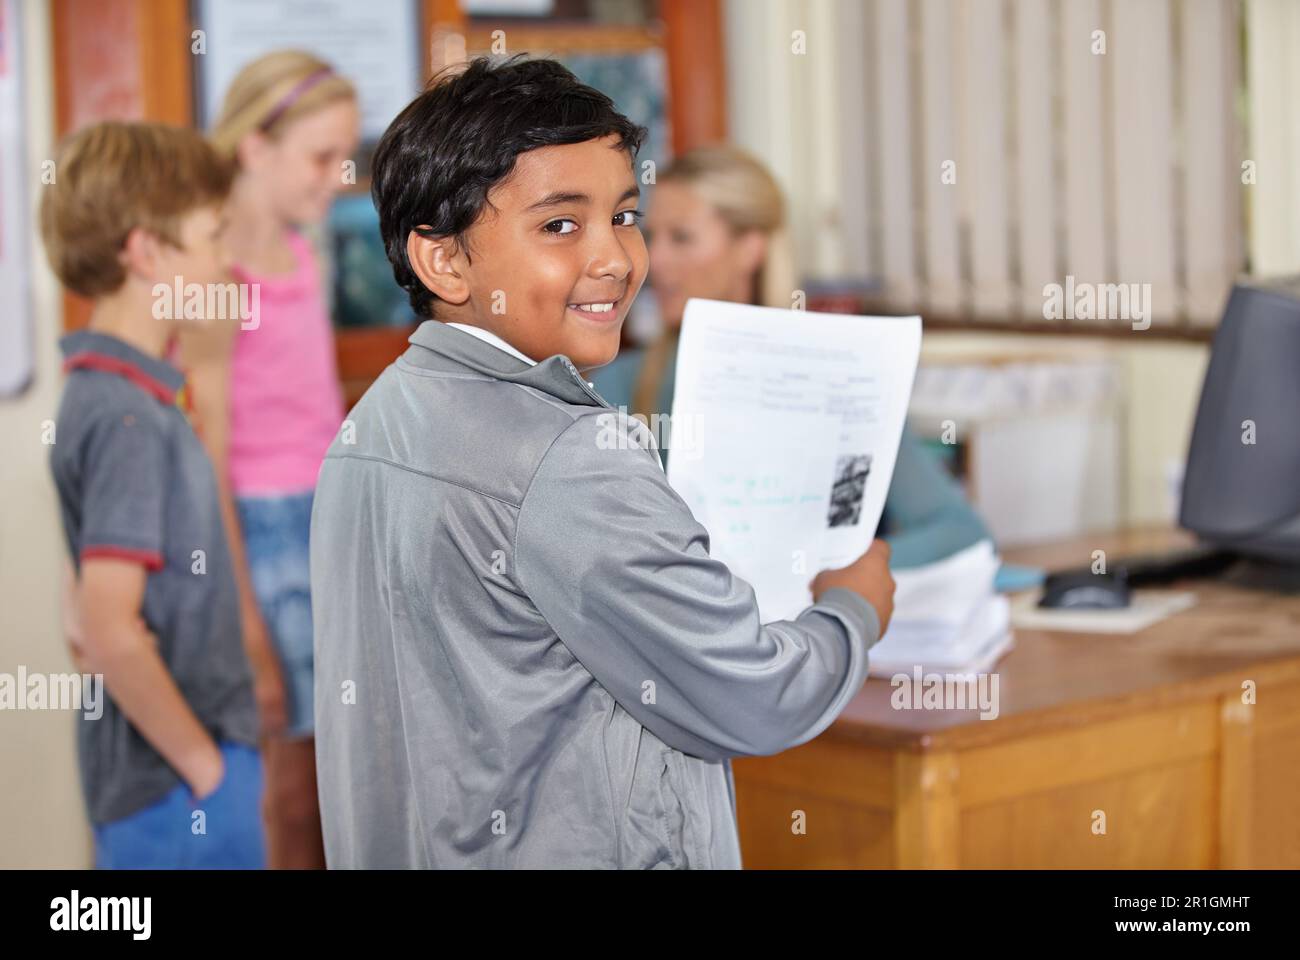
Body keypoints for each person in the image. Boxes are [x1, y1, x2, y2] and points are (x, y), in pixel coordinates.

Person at [309, 55, 895, 869]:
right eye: (559, 225)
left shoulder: (375, 420)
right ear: (443, 260)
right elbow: (757, 695)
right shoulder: (570, 458)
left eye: (624, 215)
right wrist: (851, 612)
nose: (617, 259)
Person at [591, 144, 990, 569]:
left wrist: (834, 575)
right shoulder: (613, 385)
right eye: (651, 238)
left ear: (750, 249)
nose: (656, 261)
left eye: (682, 238)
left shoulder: (832, 378)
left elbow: (959, 530)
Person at [42, 122, 264, 868]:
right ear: (147, 253)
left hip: (177, 782)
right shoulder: (126, 413)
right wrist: (208, 770)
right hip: (176, 792)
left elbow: (83, 604)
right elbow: (106, 628)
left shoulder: (120, 392)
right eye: (210, 238)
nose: (225, 261)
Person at [180, 50, 359, 869]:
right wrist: (244, 620)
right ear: (255, 148)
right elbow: (204, 457)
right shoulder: (212, 275)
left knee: (338, 778)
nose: (337, 178)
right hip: (256, 534)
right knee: (284, 790)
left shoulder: (304, 252)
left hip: (329, 522)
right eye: (321, 157)